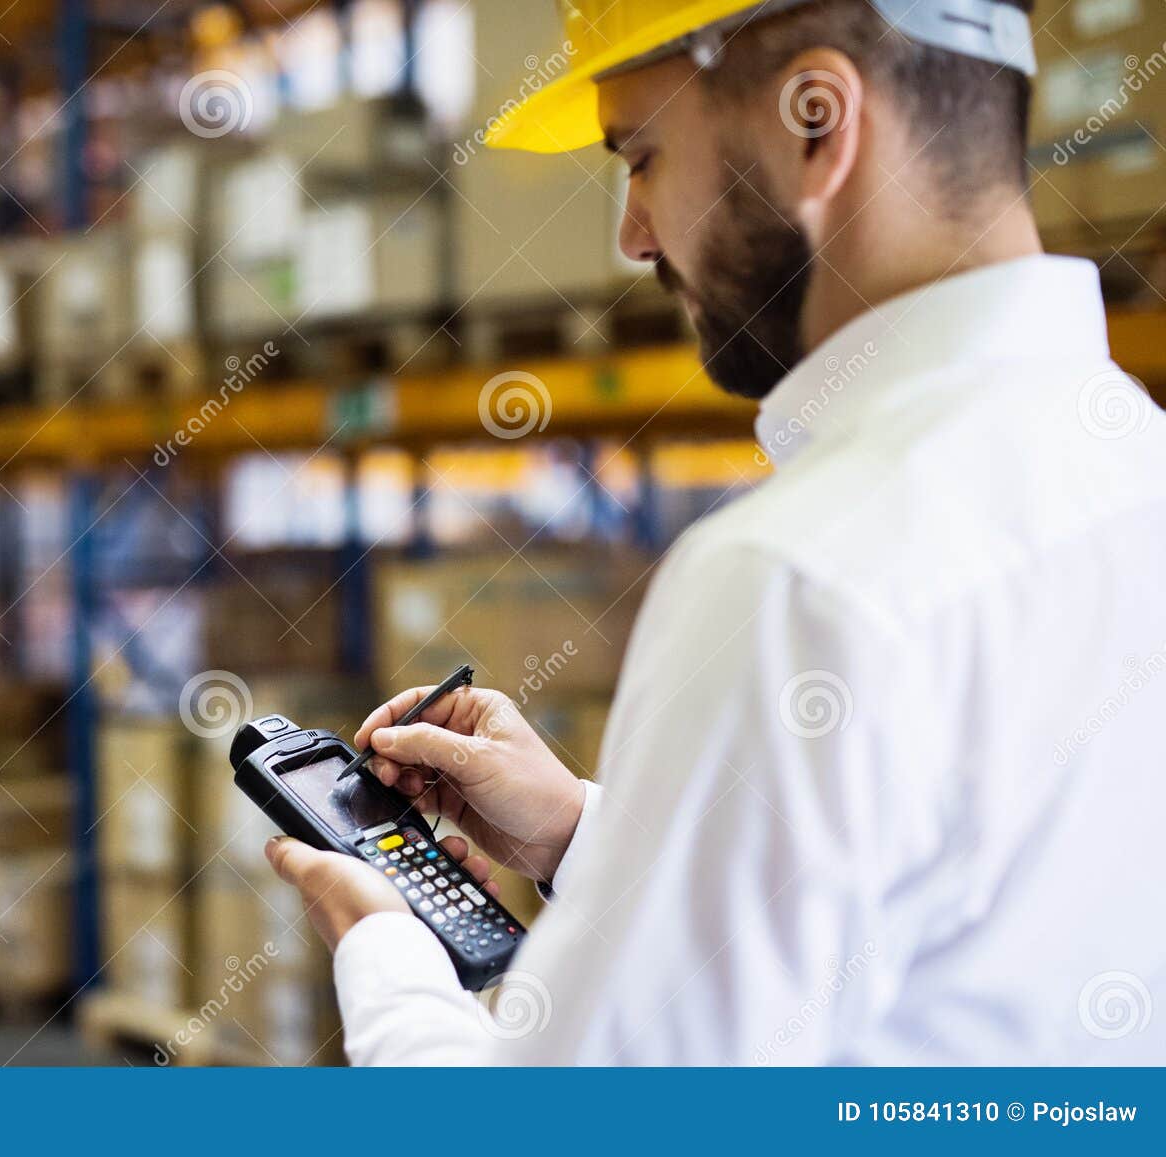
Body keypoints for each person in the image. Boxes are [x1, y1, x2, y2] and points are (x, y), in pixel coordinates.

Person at [266, 0, 1166, 1064]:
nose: (632, 235)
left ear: (816, 121)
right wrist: (592, 835)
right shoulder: (1128, 463)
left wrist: (389, 948)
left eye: (641, 157)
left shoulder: (798, 577)